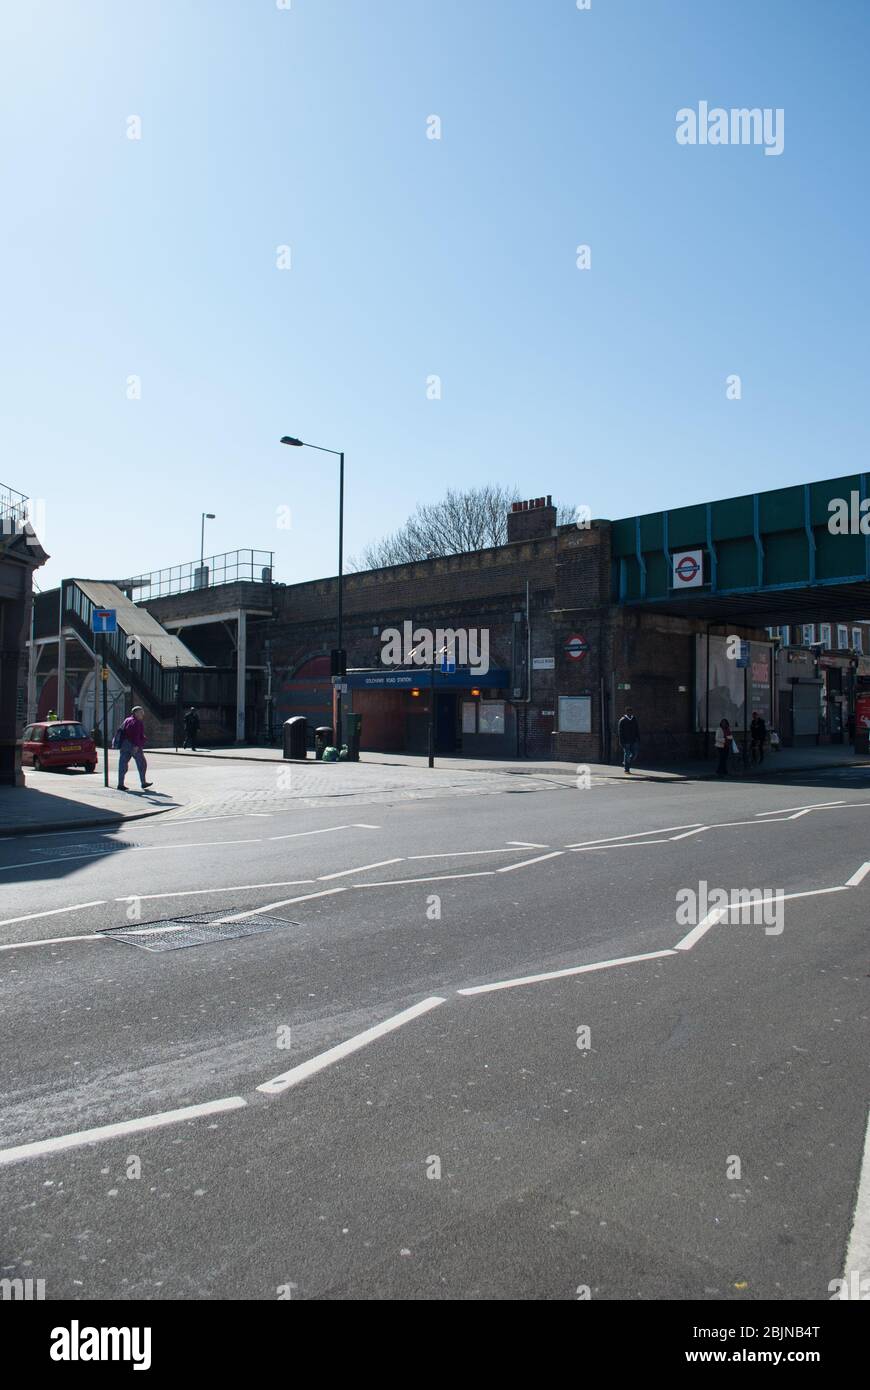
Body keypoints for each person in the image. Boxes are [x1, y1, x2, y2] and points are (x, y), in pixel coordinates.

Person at [117, 705, 153, 791]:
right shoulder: (137, 722)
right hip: (134, 745)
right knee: (142, 764)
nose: (143, 714)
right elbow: (136, 735)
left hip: (124, 745)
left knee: (123, 764)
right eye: (141, 712)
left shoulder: (127, 720)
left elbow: (121, 730)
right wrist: (136, 746)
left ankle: (120, 784)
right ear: (136, 713)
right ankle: (143, 782)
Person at [617, 706, 640, 774]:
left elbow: (637, 729)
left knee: (634, 753)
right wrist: (621, 741)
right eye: (628, 712)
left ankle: (626, 762)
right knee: (627, 754)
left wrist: (638, 738)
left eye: (631, 712)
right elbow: (620, 732)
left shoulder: (634, 719)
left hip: (633, 740)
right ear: (626, 712)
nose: (630, 713)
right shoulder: (622, 720)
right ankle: (627, 769)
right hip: (626, 741)